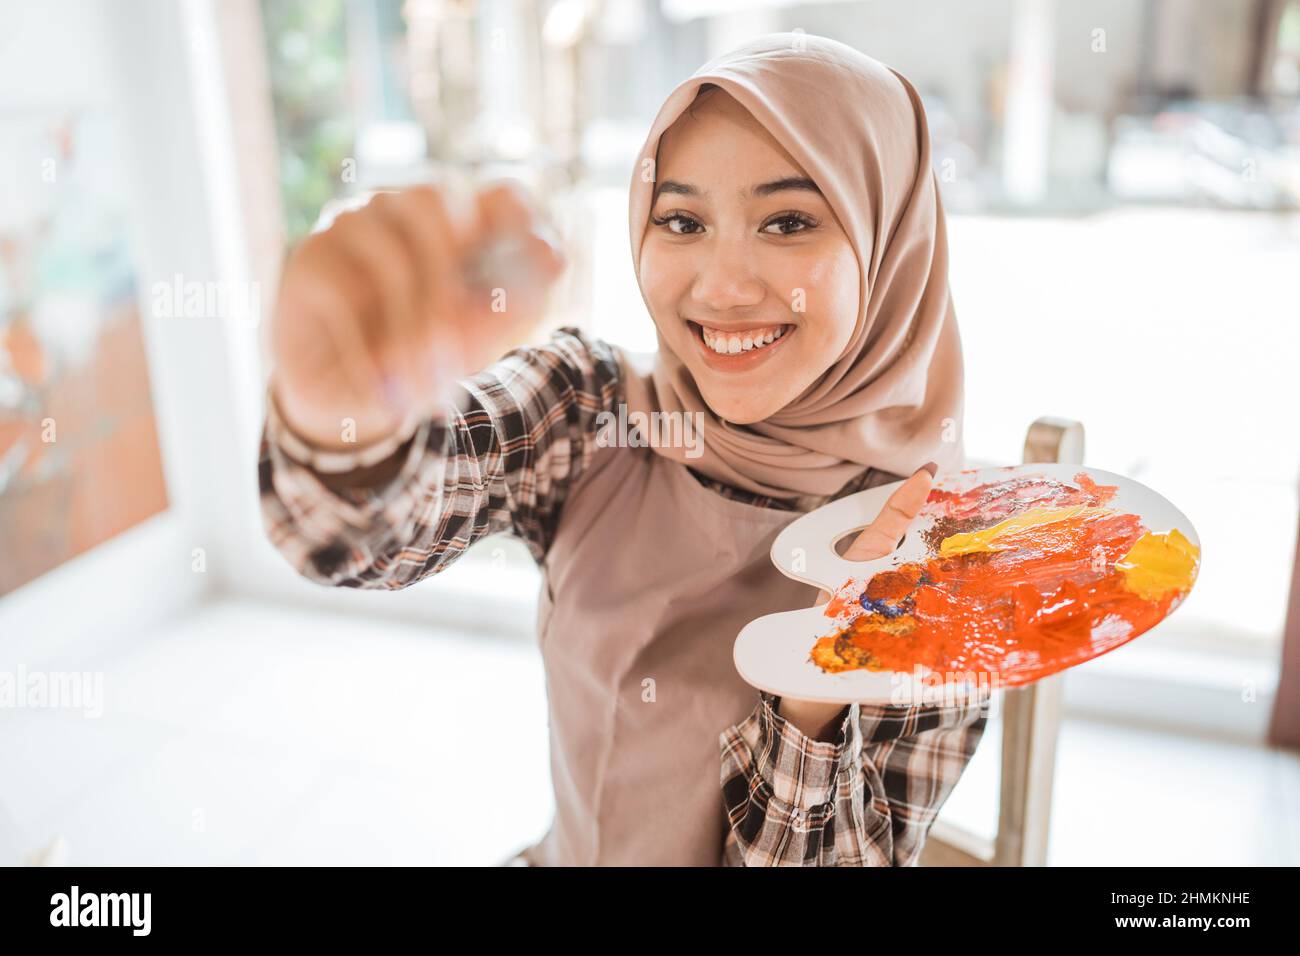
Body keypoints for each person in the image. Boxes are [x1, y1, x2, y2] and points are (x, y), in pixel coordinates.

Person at [259, 32, 989, 866]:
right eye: (682, 220)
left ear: (892, 245)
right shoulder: (598, 411)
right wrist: (337, 413)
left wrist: (818, 696)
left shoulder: (944, 564)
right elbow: (360, 537)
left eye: (788, 221)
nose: (719, 285)